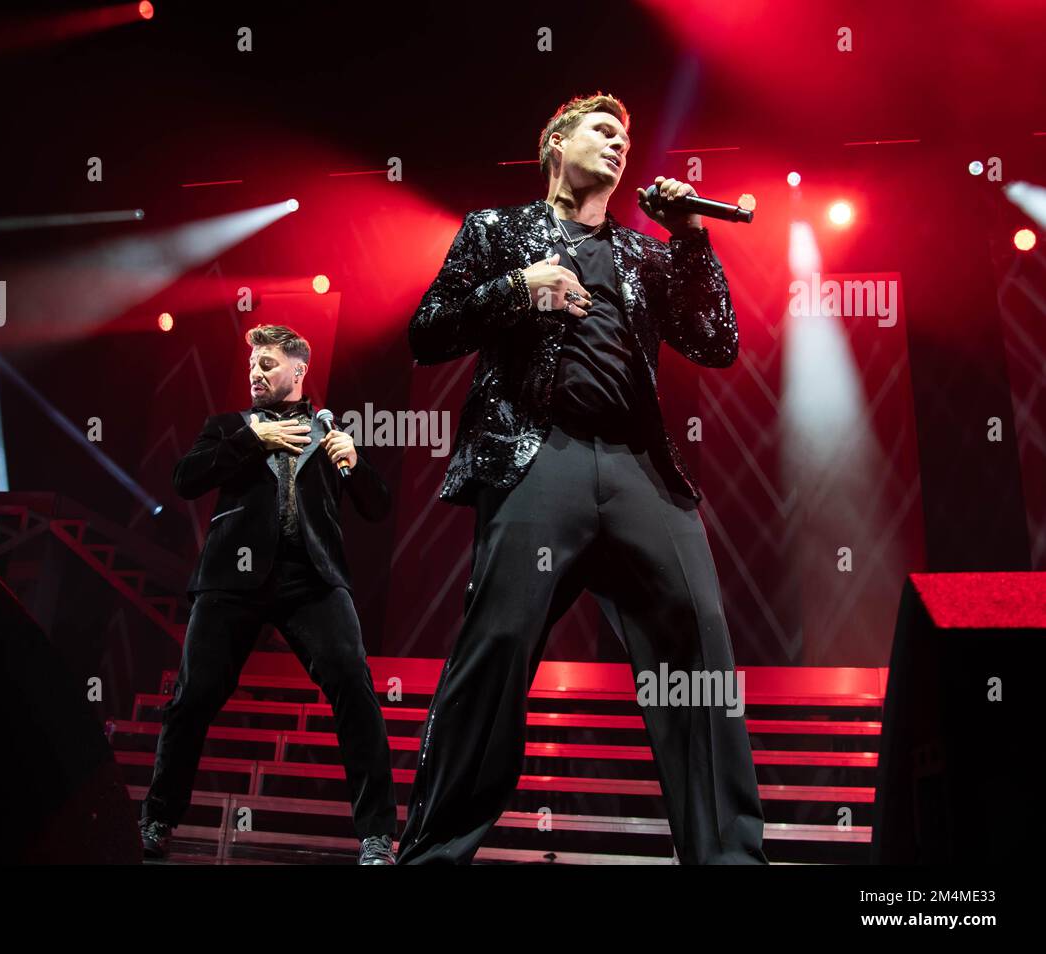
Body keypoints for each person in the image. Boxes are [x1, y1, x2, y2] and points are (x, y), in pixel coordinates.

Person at [397, 92, 768, 865]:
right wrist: (516, 289)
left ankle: (730, 860)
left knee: (700, 657)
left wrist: (693, 237)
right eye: (602, 131)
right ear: (554, 143)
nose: (619, 145)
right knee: (495, 652)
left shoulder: (644, 253)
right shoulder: (496, 231)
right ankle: (431, 855)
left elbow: (717, 343)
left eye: (627, 140)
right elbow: (427, 330)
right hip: (539, 460)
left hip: (641, 474)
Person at [140, 324, 398, 865]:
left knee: (355, 686)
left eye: (268, 365)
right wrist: (252, 440)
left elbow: (377, 507)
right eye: (252, 366)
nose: (255, 374)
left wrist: (357, 460)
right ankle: (157, 819)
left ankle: (377, 835)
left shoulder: (331, 432)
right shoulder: (229, 426)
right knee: (193, 697)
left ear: (299, 370)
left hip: (312, 578)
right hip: (233, 578)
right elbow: (185, 479)